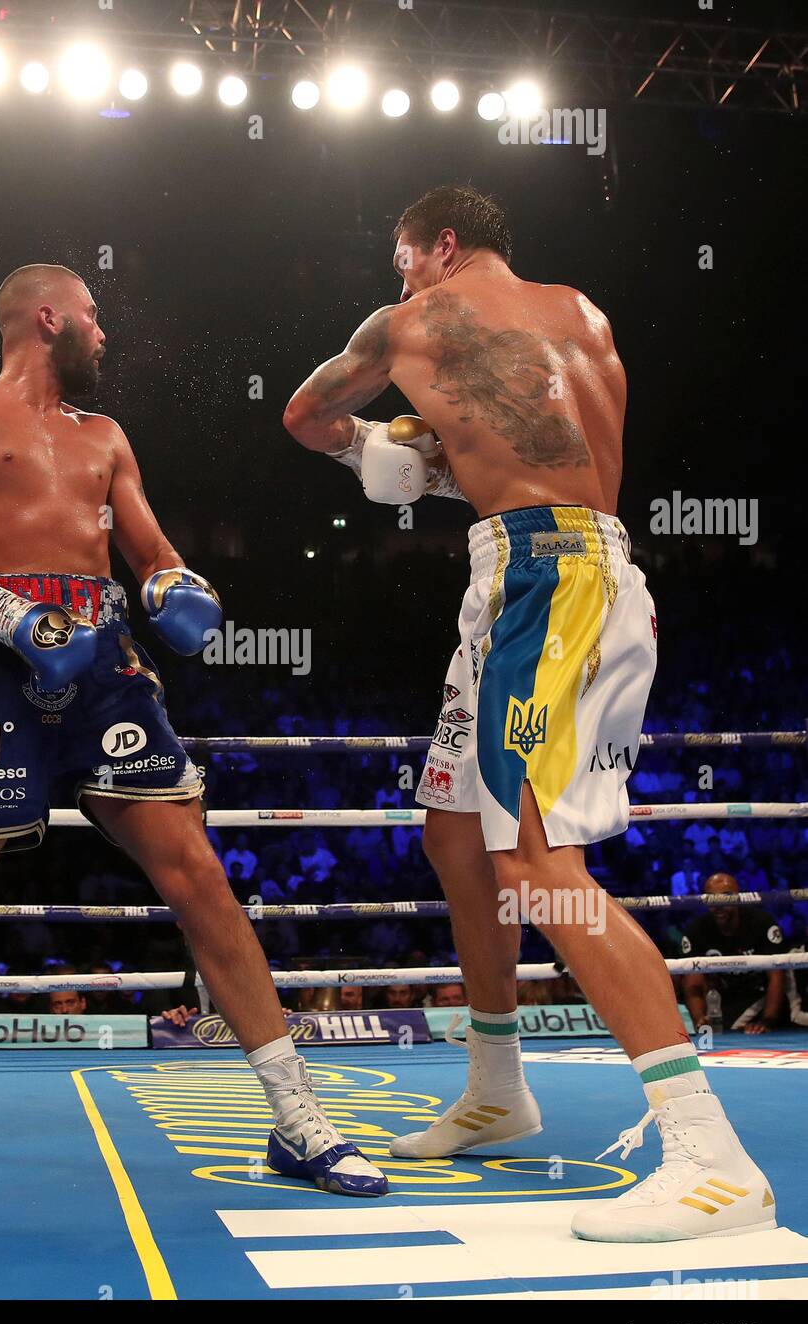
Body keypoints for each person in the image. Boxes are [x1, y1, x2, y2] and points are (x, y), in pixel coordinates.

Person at [0, 263, 385, 1198]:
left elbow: (151, 551)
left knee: (202, 879)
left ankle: (297, 1120)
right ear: (49, 318)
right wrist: (14, 619)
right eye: (93, 319)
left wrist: (177, 586)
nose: (105, 336)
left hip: (101, 662)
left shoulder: (106, 437)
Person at [283, 185, 772, 1240]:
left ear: (440, 245)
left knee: (539, 866)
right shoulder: (582, 313)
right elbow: (564, 467)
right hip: (560, 565)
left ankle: (709, 1154)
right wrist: (442, 463)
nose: (398, 277)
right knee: (456, 835)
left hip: (548, 590)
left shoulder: (409, 321)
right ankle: (498, 1087)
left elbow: (303, 415)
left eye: (401, 256)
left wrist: (374, 451)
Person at [680, 873, 788, 1033]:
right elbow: (692, 983)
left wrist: (767, 1021)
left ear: (738, 897)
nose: (718, 904)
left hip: (759, 997)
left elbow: (777, 976)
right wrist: (700, 1020)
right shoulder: (697, 929)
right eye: (711, 897)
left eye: (726, 896)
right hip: (722, 1002)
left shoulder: (761, 923)